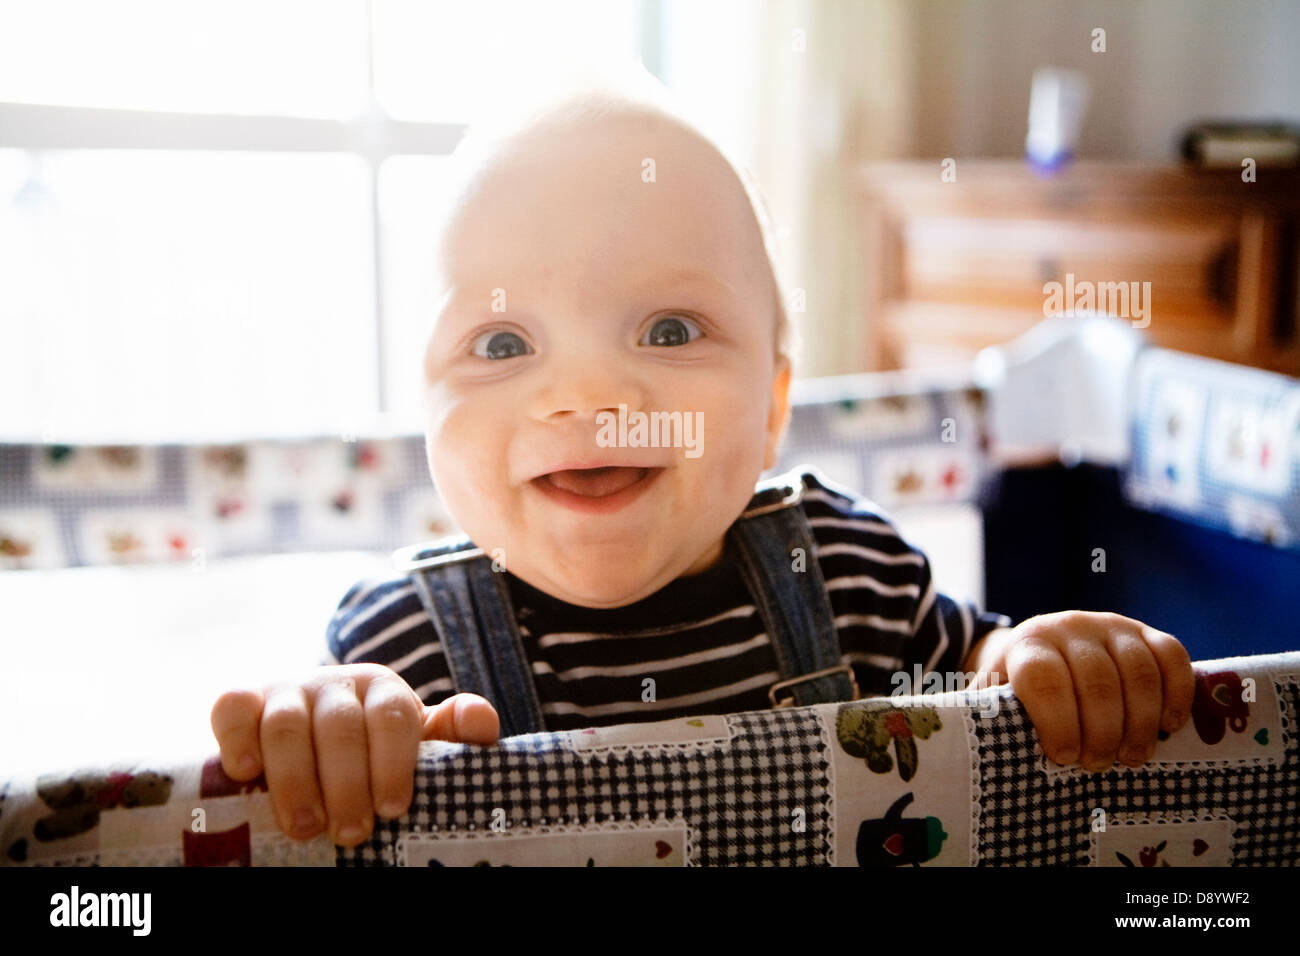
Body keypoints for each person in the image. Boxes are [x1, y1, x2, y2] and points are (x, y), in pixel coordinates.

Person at [210, 60, 1194, 849]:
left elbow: (979, 679)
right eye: (502, 344)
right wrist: (327, 724)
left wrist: (1036, 654)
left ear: (771, 408)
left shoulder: (845, 570)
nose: (588, 396)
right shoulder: (399, 648)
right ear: (423, 412)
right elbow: (314, 748)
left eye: (671, 329)